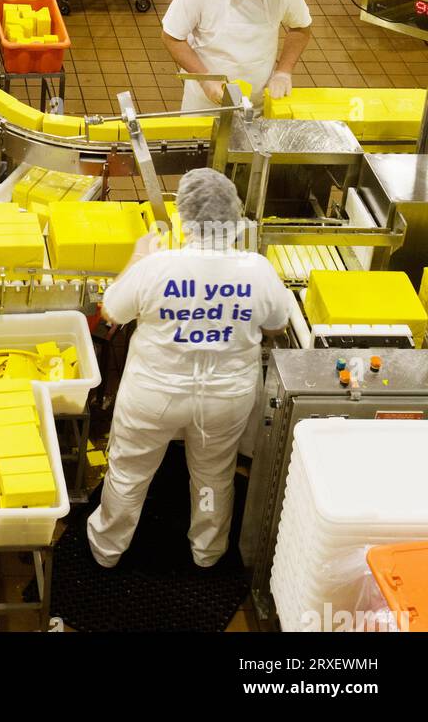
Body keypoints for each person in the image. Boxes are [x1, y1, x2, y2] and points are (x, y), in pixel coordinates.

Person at [87, 169, 290, 569]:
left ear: (185, 215)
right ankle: (207, 552)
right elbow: (277, 324)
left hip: (153, 396)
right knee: (214, 476)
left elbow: (111, 311)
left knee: (129, 473)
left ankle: (106, 549)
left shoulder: (158, 266)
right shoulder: (257, 270)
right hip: (224, 400)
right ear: (234, 216)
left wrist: (138, 256)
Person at [161, 0, 312, 113]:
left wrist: (283, 72)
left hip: (259, 96)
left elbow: (300, 27)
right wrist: (205, 79)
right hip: (207, 100)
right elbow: (172, 37)